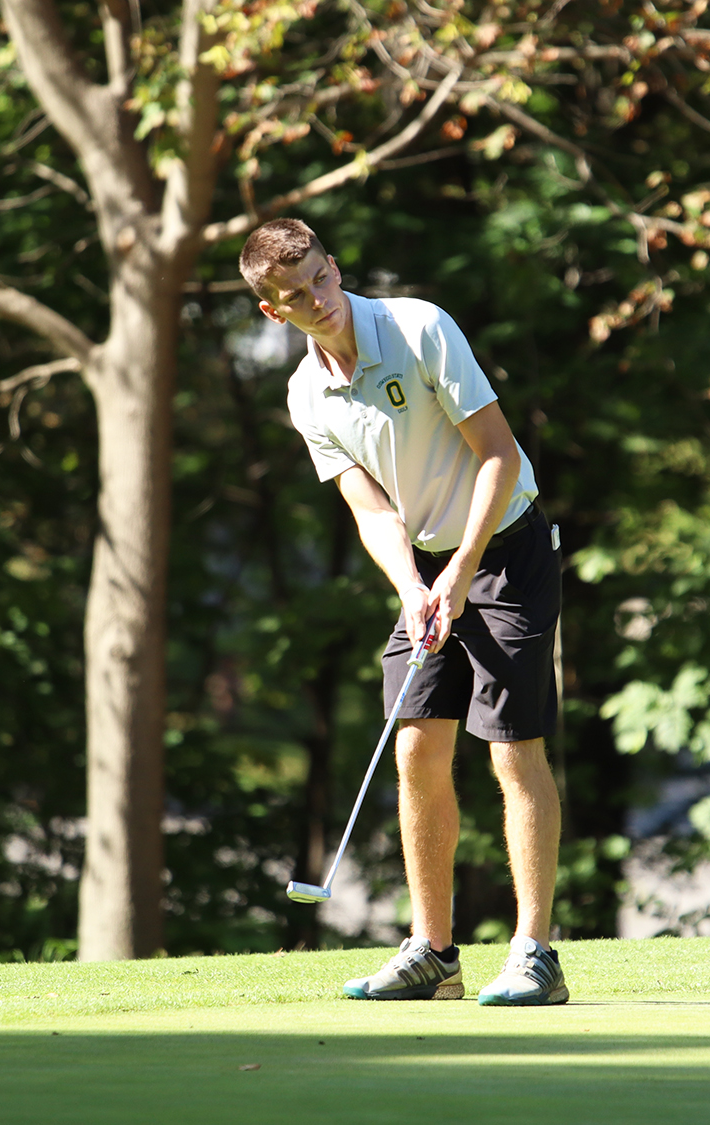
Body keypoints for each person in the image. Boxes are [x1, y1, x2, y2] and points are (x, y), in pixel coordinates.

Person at [239, 218, 567, 1006]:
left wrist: (460, 570)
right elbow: (371, 509)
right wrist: (414, 586)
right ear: (271, 313)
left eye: (321, 278)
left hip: (508, 551)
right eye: (296, 296)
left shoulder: (420, 328)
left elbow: (498, 452)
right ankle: (435, 952)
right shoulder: (305, 393)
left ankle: (535, 954)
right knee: (416, 745)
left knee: (511, 750)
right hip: (427, 566)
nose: (319, 300)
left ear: (334, 264)